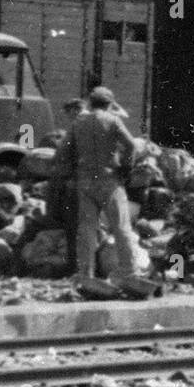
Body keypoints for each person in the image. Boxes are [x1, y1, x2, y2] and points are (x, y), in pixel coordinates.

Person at [62, 86, 139, 280]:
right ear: (110, 104)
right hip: (109, 179)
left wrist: (72, 172)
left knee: (86, 228)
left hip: (85, 180)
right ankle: (129, 270)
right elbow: (131, 146)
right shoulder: (113, 120)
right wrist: (125, 168)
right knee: (121, 226)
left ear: (90, 102)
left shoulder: (78, 122)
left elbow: (64, 150)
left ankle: (86, 273)